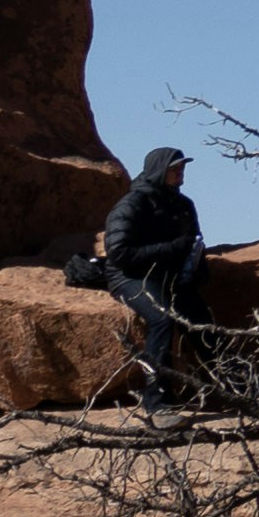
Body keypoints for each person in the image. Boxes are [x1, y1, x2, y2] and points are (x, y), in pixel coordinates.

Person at [99, 146, 208, 410]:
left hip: (170, 276)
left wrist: (195, 269)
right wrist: (172, 249)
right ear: (159, 170)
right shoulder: (133, 203)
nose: (180, 172)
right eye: (174, 168)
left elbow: (192, 243)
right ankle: (157, 402)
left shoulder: (183, 204)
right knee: (161, 319)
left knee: (202, 320)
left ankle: (249, 389)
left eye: (182, 167)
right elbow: (119, 253)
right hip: (128, 277)